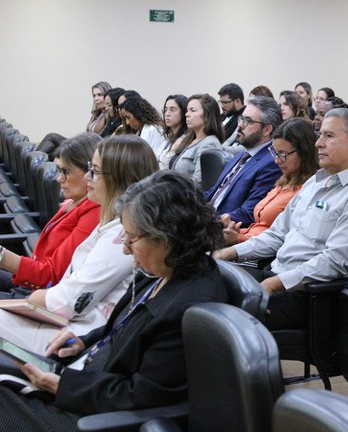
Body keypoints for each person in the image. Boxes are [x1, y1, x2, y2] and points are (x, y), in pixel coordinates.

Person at [0, 171, 227, 431]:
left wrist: (62, 386)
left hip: (94, 417)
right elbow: (127, 326)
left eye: (131, 238)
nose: (125, 248)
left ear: (166, 236)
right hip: (88, 376)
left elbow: (141, 396)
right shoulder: (167, 271)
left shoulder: (187, 309)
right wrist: (85, 340)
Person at [214, 109, 348, 330]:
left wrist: (272, 285)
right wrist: (228, 252)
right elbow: (277, 234)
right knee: (204, 280)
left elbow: (333, 262)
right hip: (276, 274)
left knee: (218, 315)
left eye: (329, 136)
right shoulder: (316, 182)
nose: (318, 143)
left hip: (308, 294)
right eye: (320, 135)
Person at [0, 136, 159, 353]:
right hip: (61, 322)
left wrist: (35, 298)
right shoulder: (108, 218)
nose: (87, 177)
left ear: (117, 178)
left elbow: (68, 300)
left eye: (94, 171)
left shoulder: (123, 233)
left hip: (69, 336)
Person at [0, 133, 101, 295]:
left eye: (65, 172)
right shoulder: (74, 201)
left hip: (42, 296)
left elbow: (51, 277)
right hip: (32, 283)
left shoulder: (94, 211)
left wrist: (1, 256)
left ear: (89, 172)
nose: (60, 179)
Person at [221, 118, 319, 246]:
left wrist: (239, 238)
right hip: (249, 244)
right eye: (275, 153)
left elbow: (280, 239)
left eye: (283, 154)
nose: (277, 161)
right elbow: (260, 227)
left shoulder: (309, 190)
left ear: (304, 153)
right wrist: (235, 232)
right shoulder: (284, 181)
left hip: (261, 255)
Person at [205, 97, 282, 227]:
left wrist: (205, 223)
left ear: (267, 130)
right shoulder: (241, 155)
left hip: (222, 229)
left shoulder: (271, 163)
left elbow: (248, 213)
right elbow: (213, 193)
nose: (240, 125)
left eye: (248, 121)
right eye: (242, 118)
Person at [167, 93, 227, 185]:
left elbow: (199, 182)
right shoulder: (189, 139)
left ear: (207, 116)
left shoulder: (209, 143)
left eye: (192, 110)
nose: (187, 114)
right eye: (187, 110)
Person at [156, 94, 188, 168]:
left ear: (183, 113)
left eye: (172, 110)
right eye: (165, 110)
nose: (167, 114)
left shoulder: (185, 139)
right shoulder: (168, 138)